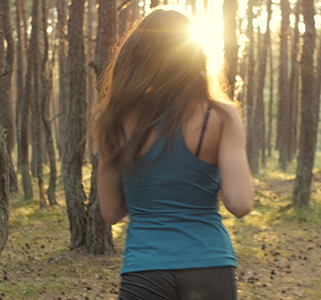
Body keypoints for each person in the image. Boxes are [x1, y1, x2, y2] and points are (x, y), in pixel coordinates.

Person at [92, 8, 253, 300]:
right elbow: (240, 204)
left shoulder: (113, 120)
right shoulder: (221, 117)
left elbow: (111, 212)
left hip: (144, 270)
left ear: (135, 59)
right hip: (209, 264)